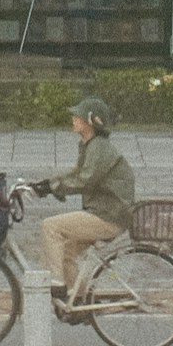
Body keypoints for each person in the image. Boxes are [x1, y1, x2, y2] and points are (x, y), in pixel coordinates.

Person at [38, 101, 142, 298]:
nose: (73, 119)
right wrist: (47, 184)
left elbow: (85, 180)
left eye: (78, 116)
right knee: (66, 252)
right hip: (103, 212)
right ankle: (79, 300)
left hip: (108, 216)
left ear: (91, 122)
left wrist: (53, 188)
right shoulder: (89, 145)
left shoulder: (99, 148)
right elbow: (76, 173)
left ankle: (56, 283)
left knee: (50, 227)